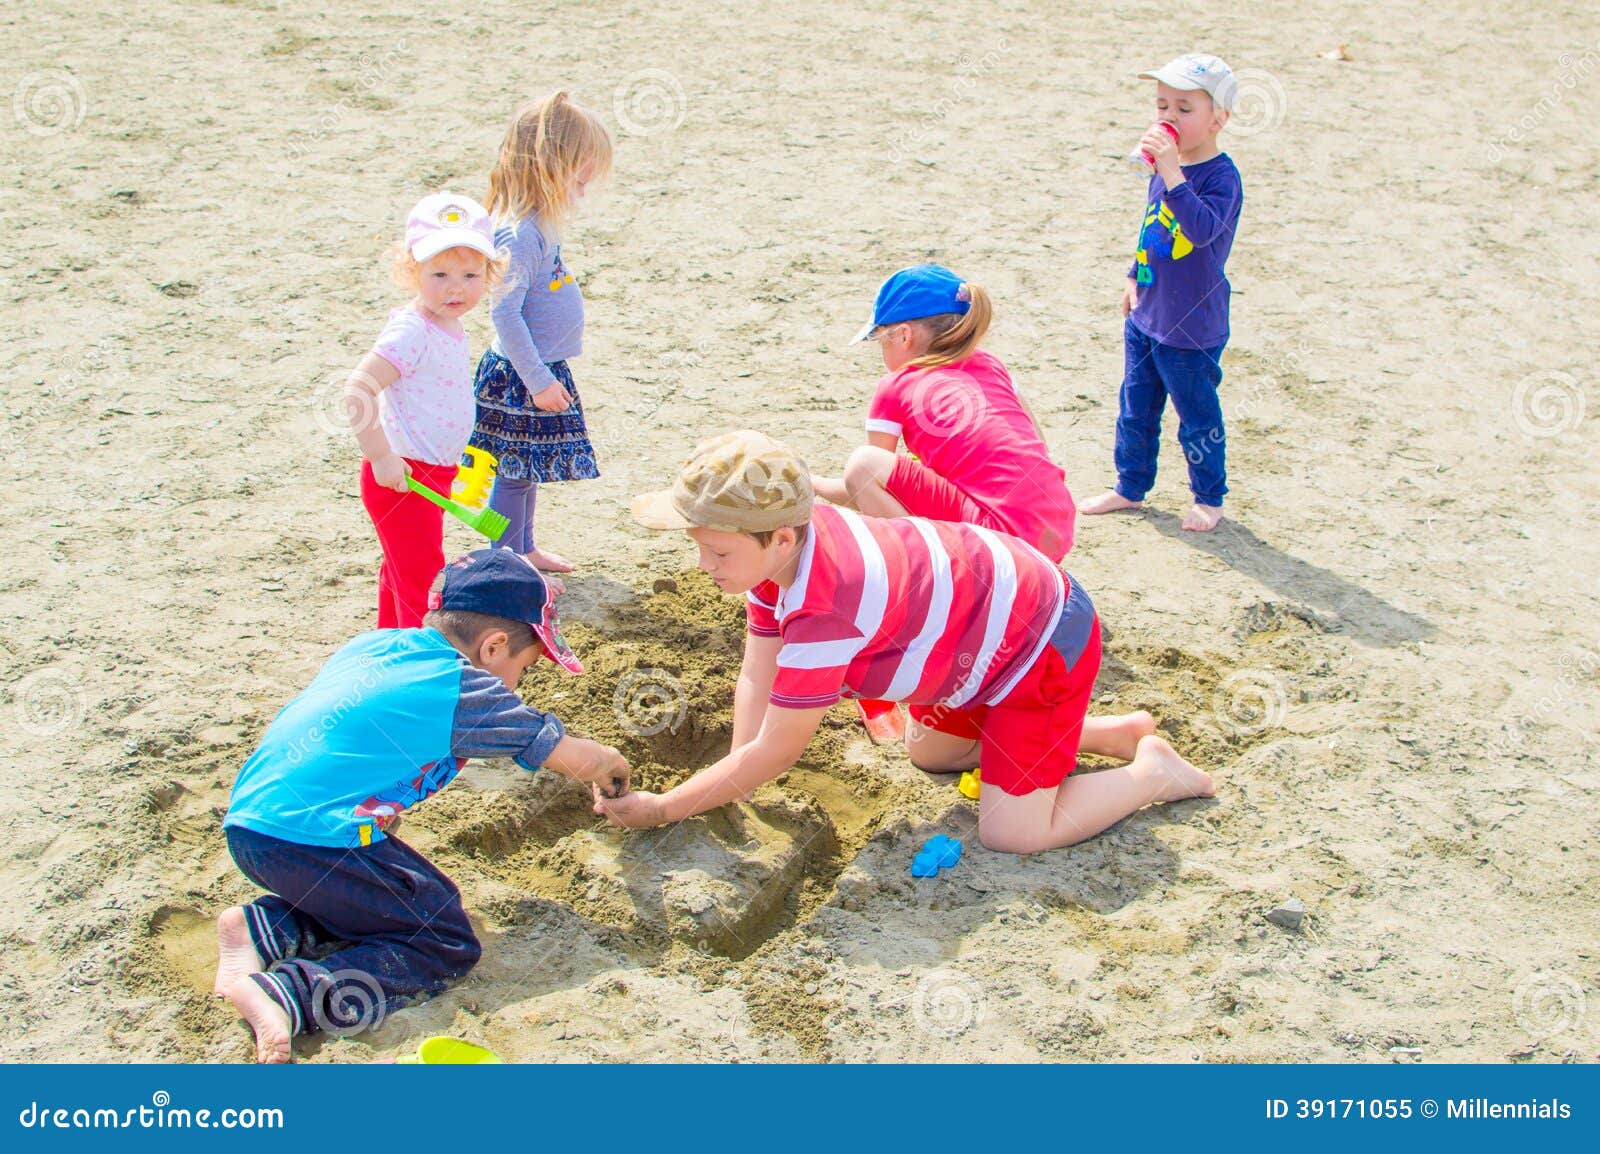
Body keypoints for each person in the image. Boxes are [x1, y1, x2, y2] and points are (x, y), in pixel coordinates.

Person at [599, 431, 1213, 854]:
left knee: (1012, 834)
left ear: (780, 539)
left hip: (1043, 645)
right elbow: (757, 676)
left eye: (718, 551)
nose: (706, 564)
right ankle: (1109, 733)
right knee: (931, 754)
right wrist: (733, 774)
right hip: (979, 648)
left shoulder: (826, 606)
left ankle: (1152, 774)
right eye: (699, 547)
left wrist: (666, 807)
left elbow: (779, 748)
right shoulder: (777, 555)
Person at [214, 550, 629, 1062]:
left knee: (397, 895)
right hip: (314, 840)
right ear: (495, 646)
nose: (517, 686)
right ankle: (292, 995)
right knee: (442, 936)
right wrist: (610, 766)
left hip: (257, 825)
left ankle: (266, 928)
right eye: (523, 667)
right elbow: (563, 754)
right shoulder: (461, 689)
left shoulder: (377, 645)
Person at [1078, 53, 1245, 533]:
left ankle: (1209, 497)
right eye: (1162, 107)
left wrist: (1173, 173)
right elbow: (1155, 229)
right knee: (1135, 407)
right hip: (1147, 313)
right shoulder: (1161, 169)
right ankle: (1130, 486)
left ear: (1219, 120)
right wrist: (1134, 273)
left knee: (1196, 416)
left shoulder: (1220, 178)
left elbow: (1200, 230)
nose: (1168, 118)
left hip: (1191, 326)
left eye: (1184, 109)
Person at [813, 264, 1076, 562]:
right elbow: (1039, 445)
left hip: (1001, 545)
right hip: (1055, 526)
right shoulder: (991, 365)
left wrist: (815, 483)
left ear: (902, 335)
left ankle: (930, 570)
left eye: (879, 339)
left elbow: (861, 488)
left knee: (863, 464)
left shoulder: (896, 385)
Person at [469, 91, 614, 572]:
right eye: (579, 177)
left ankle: (522, 549)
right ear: (550, 166)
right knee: (512, 474)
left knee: (524, 471)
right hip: (521, 375)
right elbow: (505, 315)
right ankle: (505, 561)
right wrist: (538, 381)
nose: (584, 187)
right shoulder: (520, 233)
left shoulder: (540, 225)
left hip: (540, 368)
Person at [345, 192, 503, 627]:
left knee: (401, 572)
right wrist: (381, 456)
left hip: (432, 473)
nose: (457, 287)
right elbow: (358, 391)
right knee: (422, 579)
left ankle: (389, 647)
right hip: (405, 477)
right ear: (411, 270)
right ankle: (421, 667)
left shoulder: (446, 322)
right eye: (440, 273)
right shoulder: (412, 330)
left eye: (471, 275)